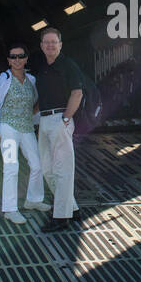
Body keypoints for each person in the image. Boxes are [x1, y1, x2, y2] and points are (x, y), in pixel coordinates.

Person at [0, 43, 49, 224]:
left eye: (21, 56)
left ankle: (33, 200)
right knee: (12, 167)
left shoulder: (31, 80)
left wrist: (36, 120)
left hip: (27, 127)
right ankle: (10, 209)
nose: (17, 60)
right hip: (8, 127)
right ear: (8, 60)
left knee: (37, 165)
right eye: (13, 57)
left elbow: (37, 102)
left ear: (26, 59)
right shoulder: (3, 78)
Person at [32, 26, 84, 229]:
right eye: (47, 42)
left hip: (60, 119)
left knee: (63, 170)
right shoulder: (43, 68)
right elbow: (41, 98)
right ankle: (73, 208)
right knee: (47, 169)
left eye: (54, 42)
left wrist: (65, 119)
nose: (50, 45)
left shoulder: (68, 66)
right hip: (44, 120)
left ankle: (61, 218)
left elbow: (77, 93)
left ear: (60, 45)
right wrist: (30, 115)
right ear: (42, 46)